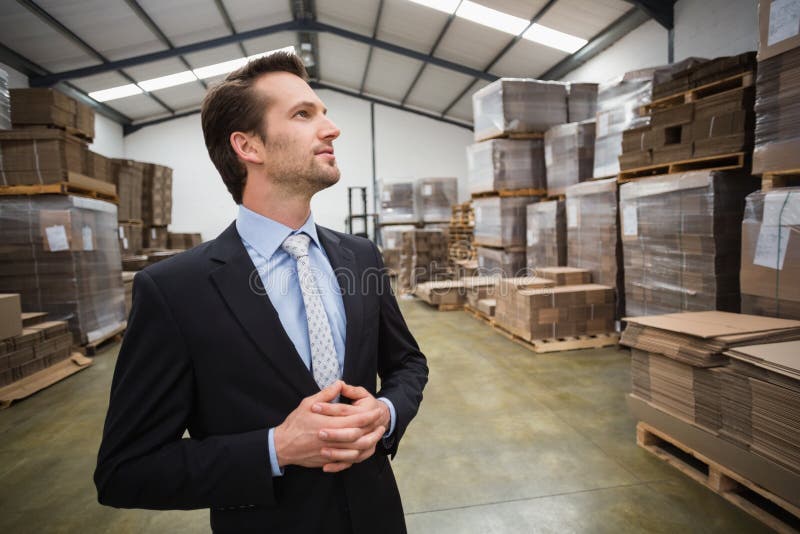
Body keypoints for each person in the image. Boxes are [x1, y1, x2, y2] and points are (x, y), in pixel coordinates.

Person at [94, 51, 429, 534]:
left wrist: (386, 412)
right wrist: (276, 448)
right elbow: (126, 470)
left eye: (324, 112)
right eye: (303, 114)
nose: (331, 129)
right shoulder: (175, 290)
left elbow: (406, 365)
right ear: (248, 146)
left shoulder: (361, 258)